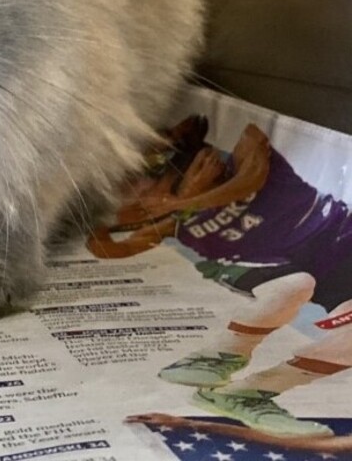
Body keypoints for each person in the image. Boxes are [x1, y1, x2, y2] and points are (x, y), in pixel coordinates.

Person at [89, 115, 352, 439]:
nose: (137, 196)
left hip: (333, 235)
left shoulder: (230, 156)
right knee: (292, 286)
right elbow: (106, 248)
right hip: (254, 261)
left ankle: (246, 393)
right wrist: (160, 213)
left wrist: (182, 202)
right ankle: (219, 356)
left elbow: (254, 170)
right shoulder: (165, 220)